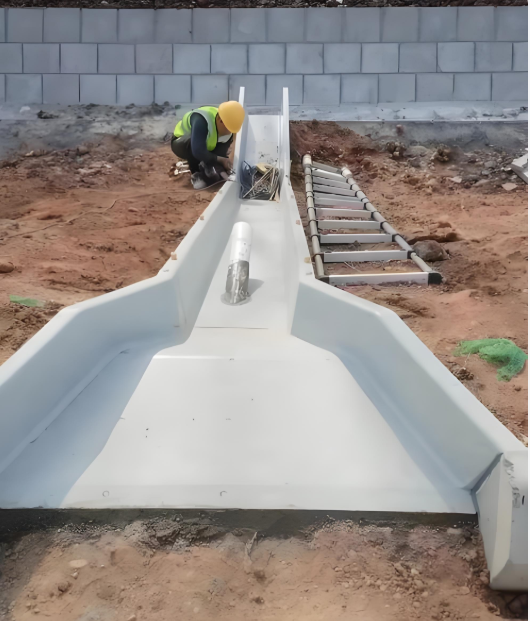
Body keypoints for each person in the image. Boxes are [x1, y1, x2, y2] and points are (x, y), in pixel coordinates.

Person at [171, 101, 245, 190]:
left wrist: (223, 163)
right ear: (220, 120)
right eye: (229, 129)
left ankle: (207, 165)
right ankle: (196, 173)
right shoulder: (201, 119)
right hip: (181, 143)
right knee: (195, 146)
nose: (230, 133)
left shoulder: (227, 126)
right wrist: (219, 159)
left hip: (204, 144)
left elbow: (221, 151)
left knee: (215, 170)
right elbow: (197, 149)